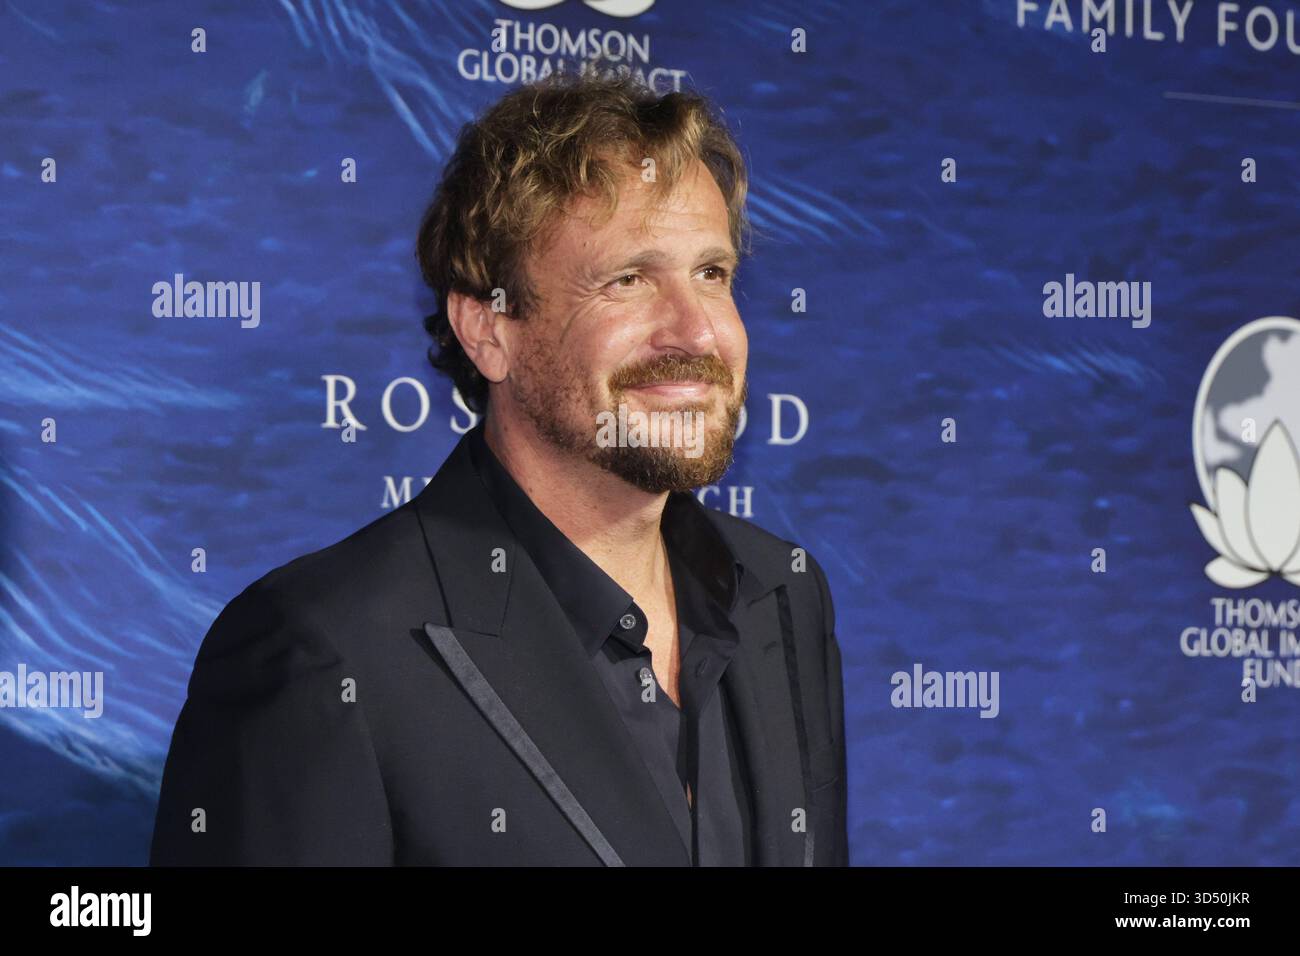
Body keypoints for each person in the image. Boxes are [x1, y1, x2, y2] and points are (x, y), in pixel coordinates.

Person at [150, 72, 847, 866]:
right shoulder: (326, 651)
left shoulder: (782, 594)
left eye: (712, 274)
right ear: (489, 330)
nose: (694, 330)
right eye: (628, 280)